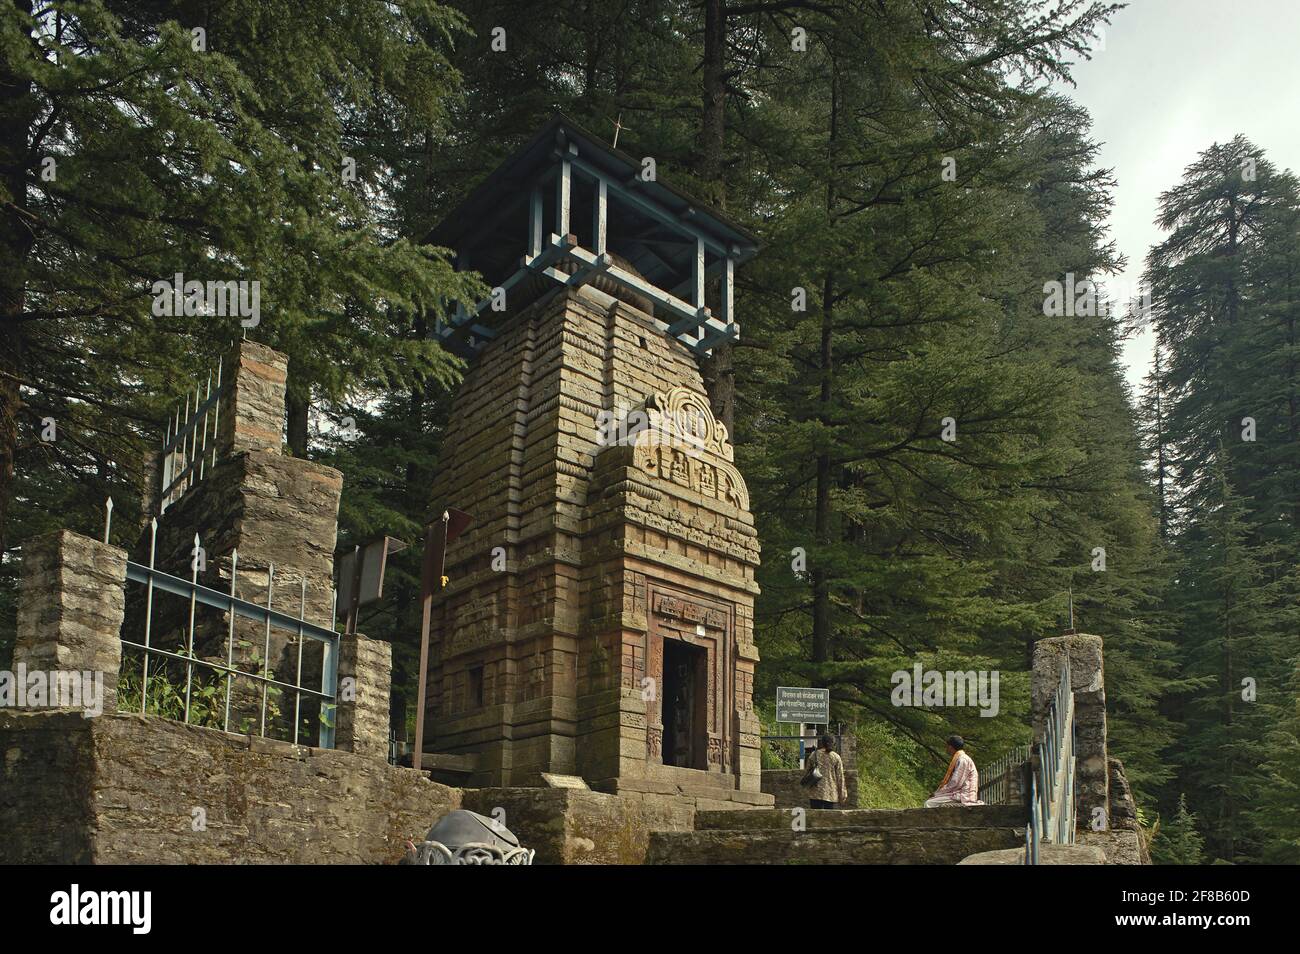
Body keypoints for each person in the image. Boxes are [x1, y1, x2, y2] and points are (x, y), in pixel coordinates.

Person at [925, 734, 983, 807]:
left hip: (964, 795)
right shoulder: (962, 758)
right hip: (960, 792)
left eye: (947, 746)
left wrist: (937, 793)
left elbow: (955, 783)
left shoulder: (963, 760)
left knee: (929, 803)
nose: (946, 749)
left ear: (951, 747)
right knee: (933, 800)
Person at [805, 734, 848, 809]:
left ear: (822, 743)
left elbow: (807, 771)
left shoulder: (813, 755)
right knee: (828, 819)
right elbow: (840, 777)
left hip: (815, 793)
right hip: (831, 794)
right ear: (833, 743)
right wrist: (842, 794)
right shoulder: (836, 757)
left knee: (816, 818)